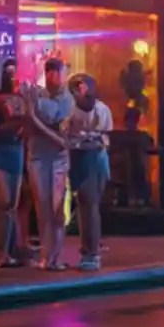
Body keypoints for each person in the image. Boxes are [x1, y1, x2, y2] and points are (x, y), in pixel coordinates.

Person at [24, 58, 73, 271]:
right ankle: (47, 256)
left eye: (56, 71)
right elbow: (30, 127)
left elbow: (63, 138)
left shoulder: (69, 100)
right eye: (49, 71)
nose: (52, 75)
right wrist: (33, 117)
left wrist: (34, 116)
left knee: (57, 207)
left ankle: (56, 256)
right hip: (38, 157)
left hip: (59, 159)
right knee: (42, 207)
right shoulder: (38, 97)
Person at [64, 74, 112, 271]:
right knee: (83, 204)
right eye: (77, 88)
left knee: (90, 203)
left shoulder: (102, 110)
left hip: (95, 158)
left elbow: (106, 138)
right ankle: (87, 249)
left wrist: (95, 140)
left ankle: (92, 252)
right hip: (74, 157)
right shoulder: (68, 109)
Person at [0, 59, 28, 267]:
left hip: (16, 150)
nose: (12, 76)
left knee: (11, 204)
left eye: (14, 72)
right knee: (2, 201)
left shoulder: (22, 97)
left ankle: (6, 251)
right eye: (8, 72)